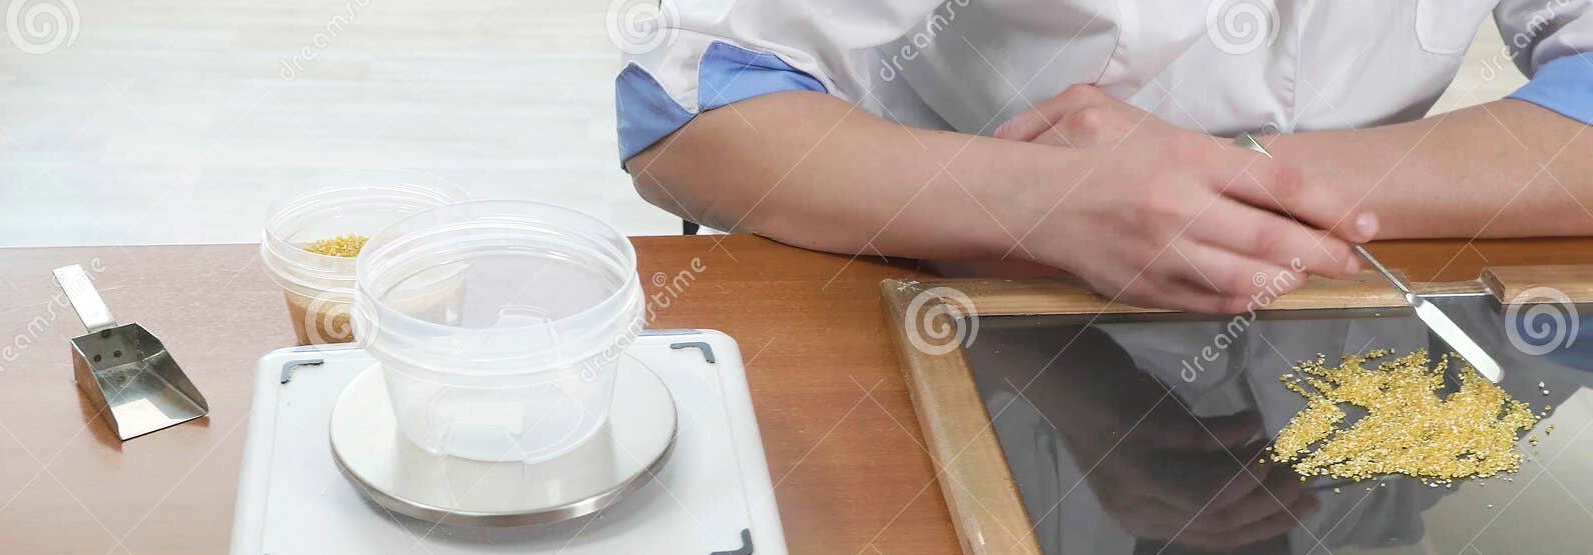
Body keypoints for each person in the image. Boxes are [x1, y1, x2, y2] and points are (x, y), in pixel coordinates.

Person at [615, 1, 1593, 313]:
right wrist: (1035, 199)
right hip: (957, 275)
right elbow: (687, 110)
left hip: (1332, 291)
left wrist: (1242, 182)